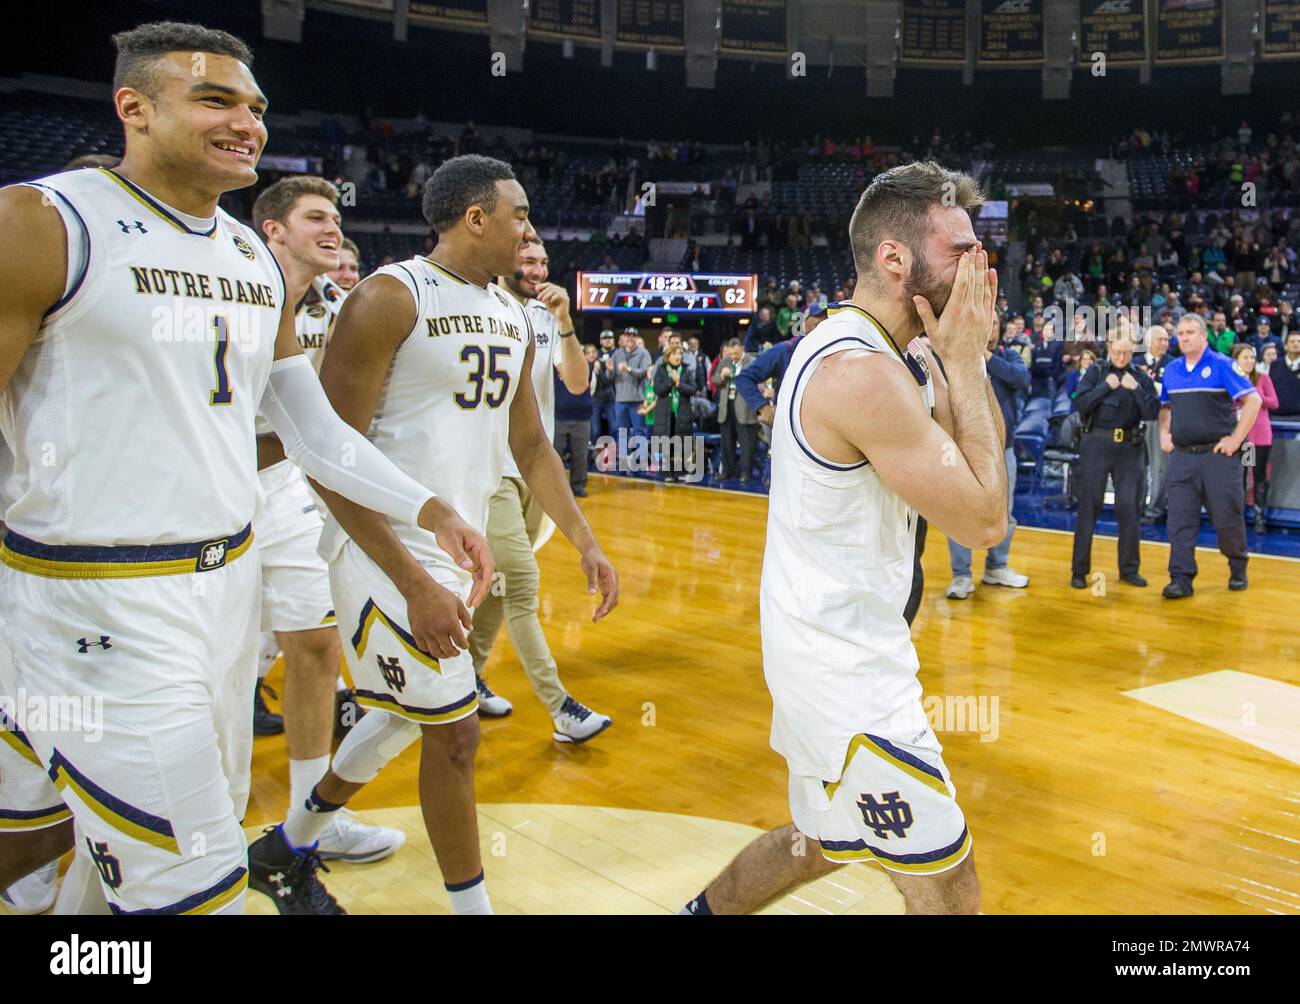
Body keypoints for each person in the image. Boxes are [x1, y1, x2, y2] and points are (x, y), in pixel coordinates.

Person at [0, 20, 493, 916]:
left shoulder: (247, 258)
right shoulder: (43, 221)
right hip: (88, 600)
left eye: (257, 106)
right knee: (200, 889)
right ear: (134, 108)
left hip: (222, 594)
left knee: (90, 849)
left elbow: (315, 435)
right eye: (216, 99)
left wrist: (431, 514)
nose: (247, 123)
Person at [259, 156, 619, 917]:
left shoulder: (513, 313)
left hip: (455, 546)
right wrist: (413, 580)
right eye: (518, 215)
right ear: (474, 218)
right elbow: (328, 456)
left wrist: (585, 540)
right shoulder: (390, 296)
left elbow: (531, 446)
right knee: (454, 736)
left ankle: (286, 848)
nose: (530, 230)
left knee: (397, 717)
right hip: (379, 547)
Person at [683, 161, 1006, 916]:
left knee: (819, 842)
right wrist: (966, 359)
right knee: (951, 888)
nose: (979, 264)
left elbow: (965, 460)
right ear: (895, 257)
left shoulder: (882, 353)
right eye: (961, 248)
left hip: (830, 640)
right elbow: (986, 519)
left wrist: (953, 360)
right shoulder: (858, 372)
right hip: (844, 667)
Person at [251, 176, 403, 866]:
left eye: (337, 216)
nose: (334, 228)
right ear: (273, 231)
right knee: (214, 668)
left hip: (286, 485)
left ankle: (310, 816)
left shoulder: (339, 307)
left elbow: (331, 425)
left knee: (315, 646)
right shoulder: (236, 287)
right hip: (206, 489)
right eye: (316, 216)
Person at [467, 238, 610, 739]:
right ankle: (561, 708)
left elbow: (576, 384)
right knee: (522, 582)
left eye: (543, 262)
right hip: (491, 470)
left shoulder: (549, 319)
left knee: (498, 589)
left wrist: (567, 322)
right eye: (527, 259)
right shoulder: (484, 310)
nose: (536, 269)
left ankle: (467, 681)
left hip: (534, 466)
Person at [1158, 314, 1261, 598]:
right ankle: (1181, 578)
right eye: (1181, 332)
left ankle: (1238, 566)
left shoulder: (1223, 365)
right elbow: (1164, 407)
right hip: (1182, 457)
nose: (1185, 337)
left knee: (1227, 517)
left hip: (1218, 457)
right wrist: (1164, 435)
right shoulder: (1171, 370)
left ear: (1204, 336)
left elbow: (1254, 400)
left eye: (1191, 331)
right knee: (1179, 520)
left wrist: (1236, 439)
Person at [945, 323, 1030, 600]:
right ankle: (961, 575)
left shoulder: (1010, 356)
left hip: (1003, 449)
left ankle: (997, 566)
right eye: (985, 321)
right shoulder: (953, 356)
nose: (989, 327)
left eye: (994, 323)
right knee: (959, 511)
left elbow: (1021, 378)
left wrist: (985, 356)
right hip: (963, 448)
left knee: (1005, 512)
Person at [1069, 338, 1159, 589]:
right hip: (1096, 443)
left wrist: (1136, 390)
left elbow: (1152, 412)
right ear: (1110, 349)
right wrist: (1105, 388)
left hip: (1130, 448)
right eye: (1118, 352)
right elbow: (1081, 403)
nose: (1121, 357)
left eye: (1127, 353)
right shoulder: (1096, 372)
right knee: (1089, 506)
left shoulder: (1139, 377)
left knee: (1129, 506)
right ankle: (1079, 571)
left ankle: (1129, 569)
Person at [1229, 343, 1278, 531]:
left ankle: (1259, 515)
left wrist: (1254, 396)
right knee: (1240, 475)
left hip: (1260, 436)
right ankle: (1238, 515)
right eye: (1245, 357)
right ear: (1236, 360)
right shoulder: (1231, 379)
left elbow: (1274, 402)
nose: (1249, 361)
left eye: (1251, 357)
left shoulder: (1263, 379)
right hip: (1241, 436)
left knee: (1258, 475)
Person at [1138, 326, 1172, 523]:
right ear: (1148, 342)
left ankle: (1155, 510)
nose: (1164, 344)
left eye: (1167, 340)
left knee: (1160, 468)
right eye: (1160, 339)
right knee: (1137, 467)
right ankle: (1136, 506)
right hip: (1136, 418)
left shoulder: (1174, 364)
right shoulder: (1135, 363)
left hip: (1160, 419)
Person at [713, 338, 758, 482]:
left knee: (747, 443)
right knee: (727, 442)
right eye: (731, 354)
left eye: (736, 354)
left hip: (745, 407)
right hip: (727, 406)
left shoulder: (751, 361)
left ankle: (746, 473)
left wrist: (733, 374)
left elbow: (753, 379)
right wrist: (721, 375)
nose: (733, 357)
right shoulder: (725, 361)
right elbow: (714, 380)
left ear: (742, 349)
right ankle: (727, 471)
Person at [653, 344, 698, 481]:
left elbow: (692, 389)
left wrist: (679, 385)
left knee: (683, 442)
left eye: (679, 354)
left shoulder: (686, 370)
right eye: (674, 354)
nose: (678, 356)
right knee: (667, 442)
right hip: (665, 413)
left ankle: (683, 471)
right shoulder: (661, 370)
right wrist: (670, 382)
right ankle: (669, 472)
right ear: (668, 357)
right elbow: (658, 390)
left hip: (682, 412)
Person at [612, 326, 651, 446]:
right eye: (627, 335)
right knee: (622, 431)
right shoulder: (617, 353)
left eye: (633, 336)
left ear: (636, 338)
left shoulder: (643, 353)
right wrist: (609, 370)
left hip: (637, 399)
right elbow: (610, 375)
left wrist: (628, 369)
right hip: (620, 399)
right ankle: (624, 462)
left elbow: (644, 372)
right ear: (623, 337)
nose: (630, 338)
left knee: (640, 431)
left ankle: (640, 462)